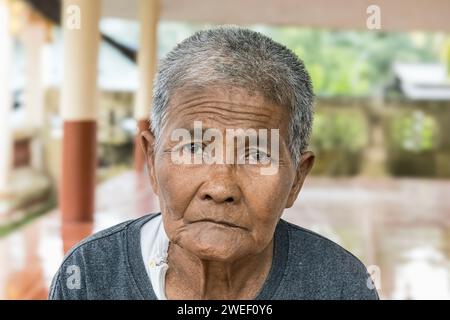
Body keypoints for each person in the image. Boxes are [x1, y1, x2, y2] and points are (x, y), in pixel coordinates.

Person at [49, 26, 379, 300]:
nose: (220, 187)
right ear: (151, 160)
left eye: (258, 154)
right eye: (193, 147)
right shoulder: (90, 275)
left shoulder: (339, 286)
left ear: (296, 180)